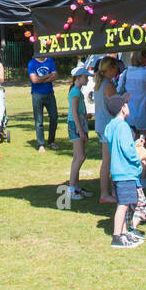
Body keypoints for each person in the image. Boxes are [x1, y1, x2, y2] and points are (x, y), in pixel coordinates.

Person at [103, 102, 145, 248]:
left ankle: (124, 232)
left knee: (124, 204)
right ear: (122, 108)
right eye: (127, 104)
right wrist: (138, 160)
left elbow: (121, 145)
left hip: (116, 171)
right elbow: (127, 150)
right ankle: (117, 236)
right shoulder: (123, 126)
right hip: (126, 171)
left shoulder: (111, 126)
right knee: (123, 205)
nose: (129, 106)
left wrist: (134, 144)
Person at [93, 56, 126, 204]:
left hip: (101, 124)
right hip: (108, 125)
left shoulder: (100, 84)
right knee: (109, 161)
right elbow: (115, 106)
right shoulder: (108, 85)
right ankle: (106, 193)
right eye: (115, 68)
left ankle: (110, 191)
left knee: (108, 160)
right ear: (111, 68)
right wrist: (125, 98)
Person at [65, 65, 91, 200]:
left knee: (77, 157)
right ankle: (71, 189)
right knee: (80, 157)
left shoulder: (77, 91)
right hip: (75, 125)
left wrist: (85, 116)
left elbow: (77, 111)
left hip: (77, 123)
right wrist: (80, 130)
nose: (87, 79)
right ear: (78, 78)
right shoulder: (75, 92)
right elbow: (74, 113)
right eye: (85, 77)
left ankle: (76, 187)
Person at [27, 51, 59, 152]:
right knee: (39, 120)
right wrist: (48, 76)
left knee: (54, 117)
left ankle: (51, 141)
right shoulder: (32, 63)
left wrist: (41, 79)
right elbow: (34, 80)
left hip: (49, 93)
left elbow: (56, 76)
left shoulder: (50, 61)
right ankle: (41, 144)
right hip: (37, 94)